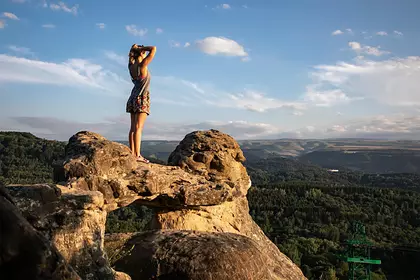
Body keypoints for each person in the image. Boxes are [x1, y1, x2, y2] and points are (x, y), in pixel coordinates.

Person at [126, 44, 157, 163]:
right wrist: (142, 49)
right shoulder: (142, 65)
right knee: (139, 128)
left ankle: (133, 153)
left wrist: (137, 49)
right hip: (142, 98)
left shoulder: (131, 66)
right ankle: (138, 155)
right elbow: (154, 48)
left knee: (133, 128)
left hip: (133, 97)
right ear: (141, 53)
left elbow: (131, 54)